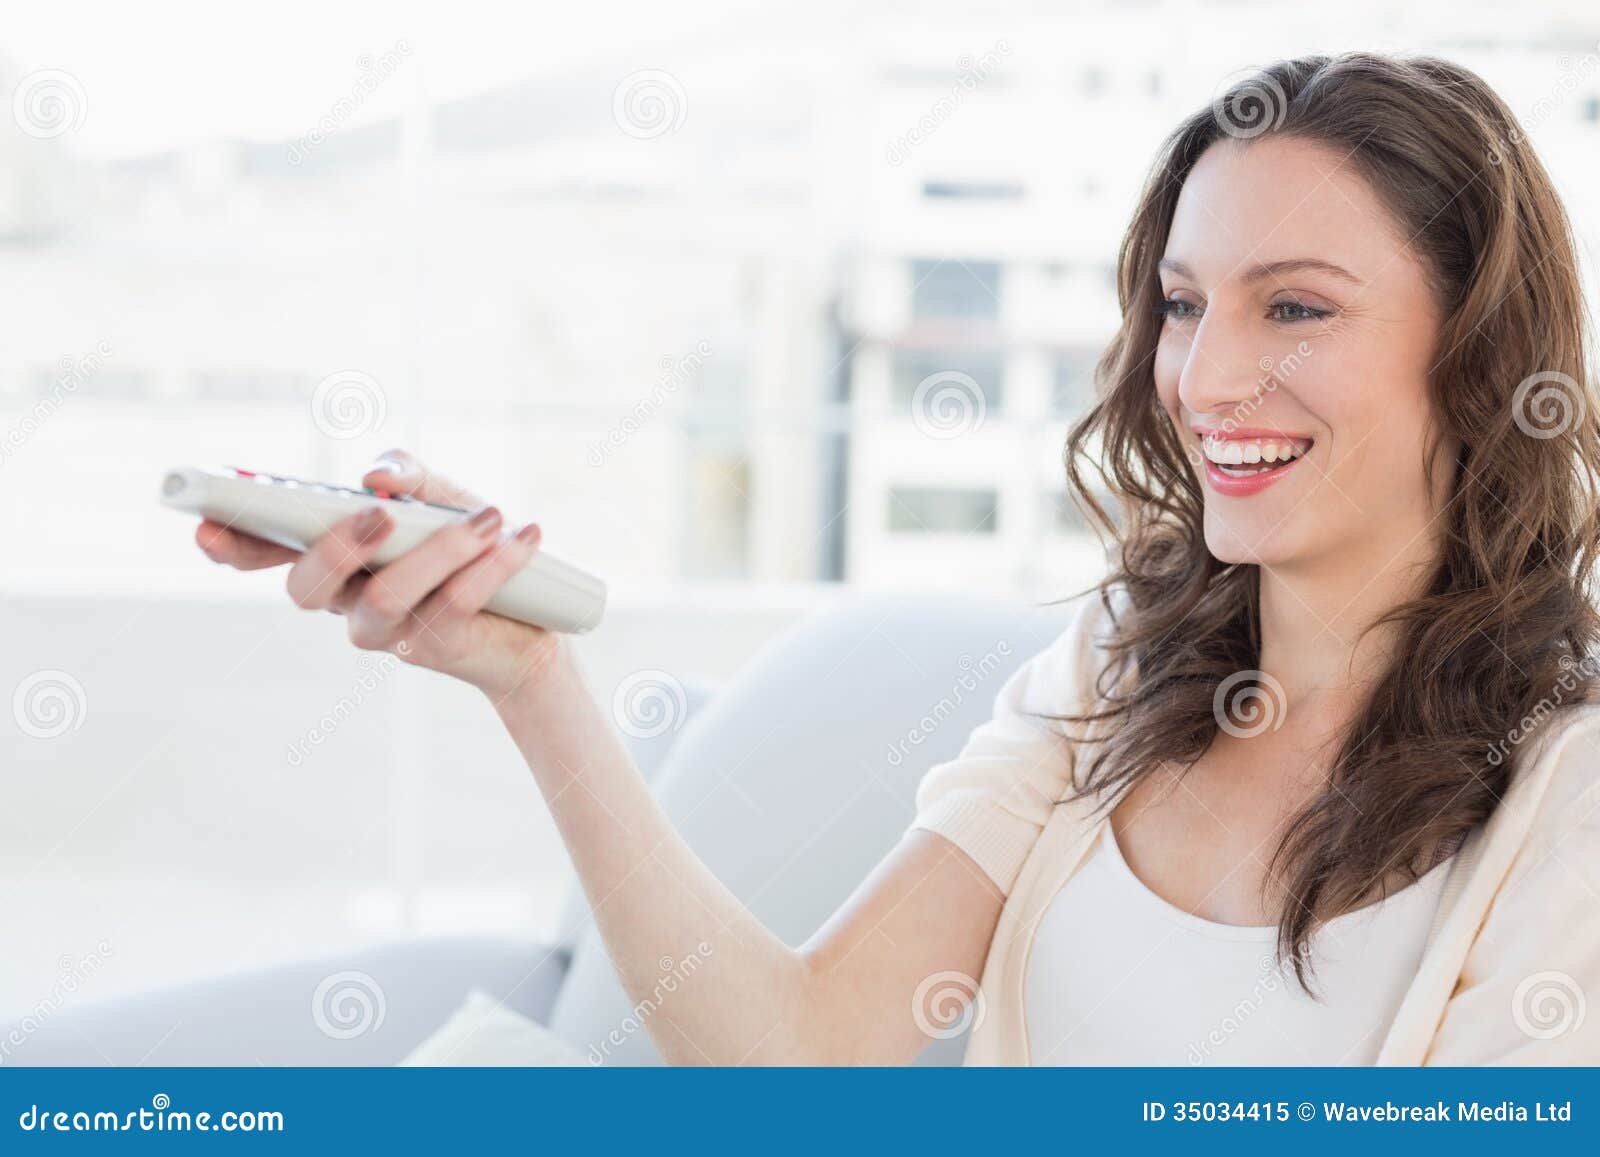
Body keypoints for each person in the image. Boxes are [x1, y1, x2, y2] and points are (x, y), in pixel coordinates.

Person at [197, 53, 1600, 1065]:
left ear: (1477, 352)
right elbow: (804, 1053)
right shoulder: (1118, 669)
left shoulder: (1565, 788)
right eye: (1183, 305)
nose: (1208, 377)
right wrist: (533, 684)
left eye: (1295, 308)